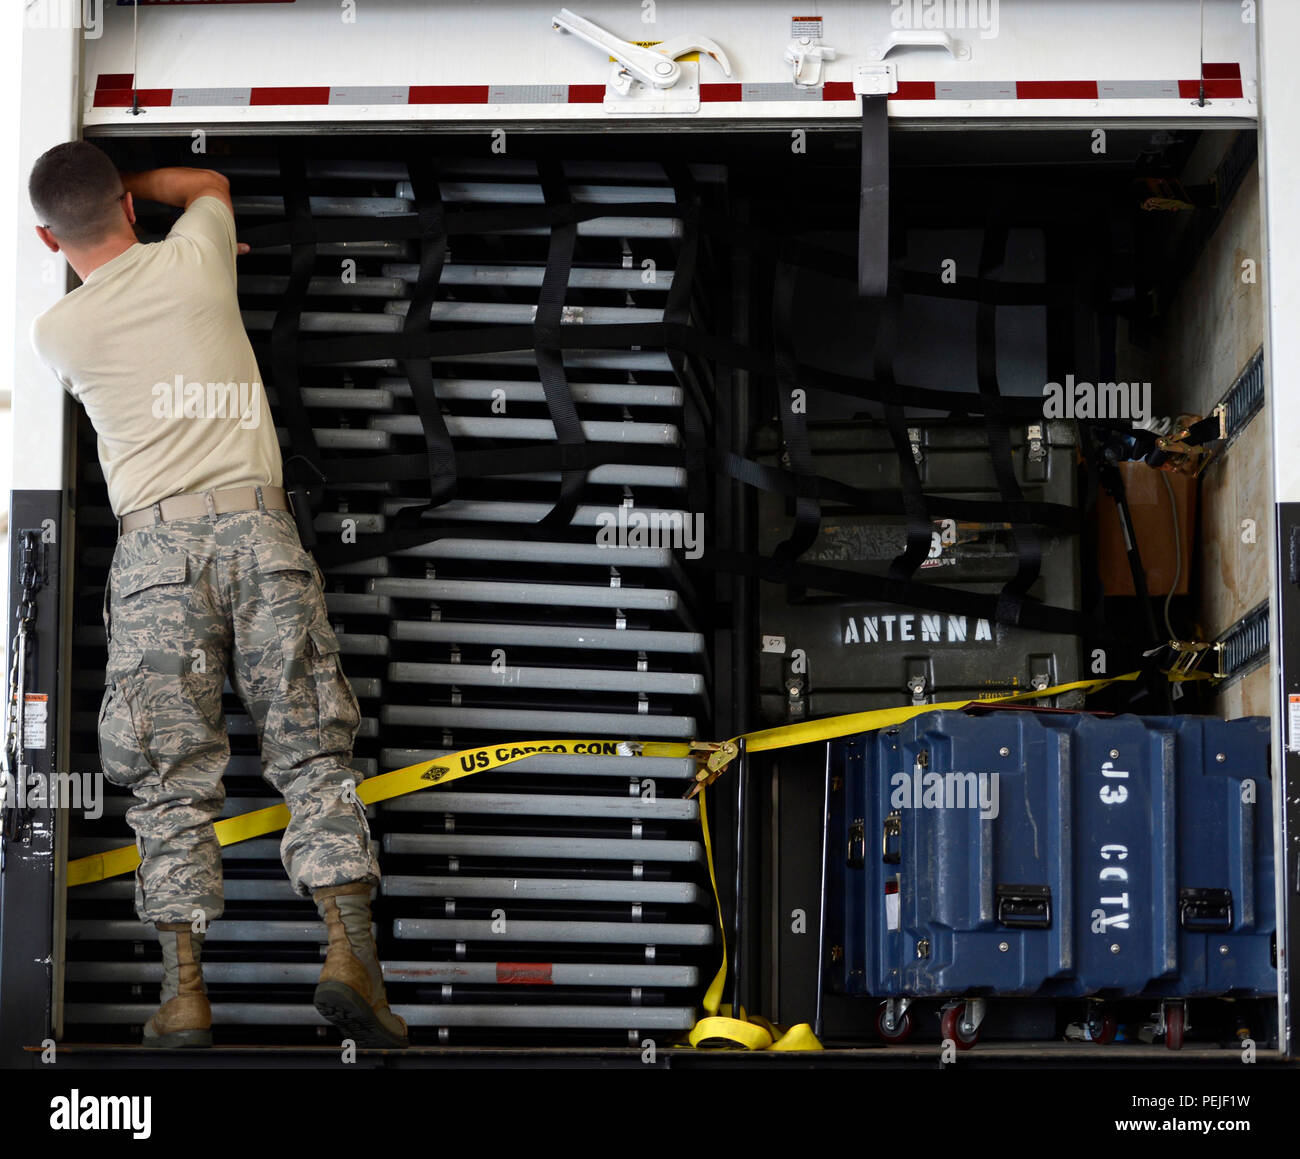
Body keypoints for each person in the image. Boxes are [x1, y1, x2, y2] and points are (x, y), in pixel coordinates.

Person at [28, 140, 408, 1050]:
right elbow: (208, 185)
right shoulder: (199, 256)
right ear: (129, 204)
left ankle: (186, 995)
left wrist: (105, 214)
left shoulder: (57, 334)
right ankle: (350, 958)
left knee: (169, 777)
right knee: (313, 750)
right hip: (260, 530)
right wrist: (143, 194)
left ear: (46, 240)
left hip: (156, 555)